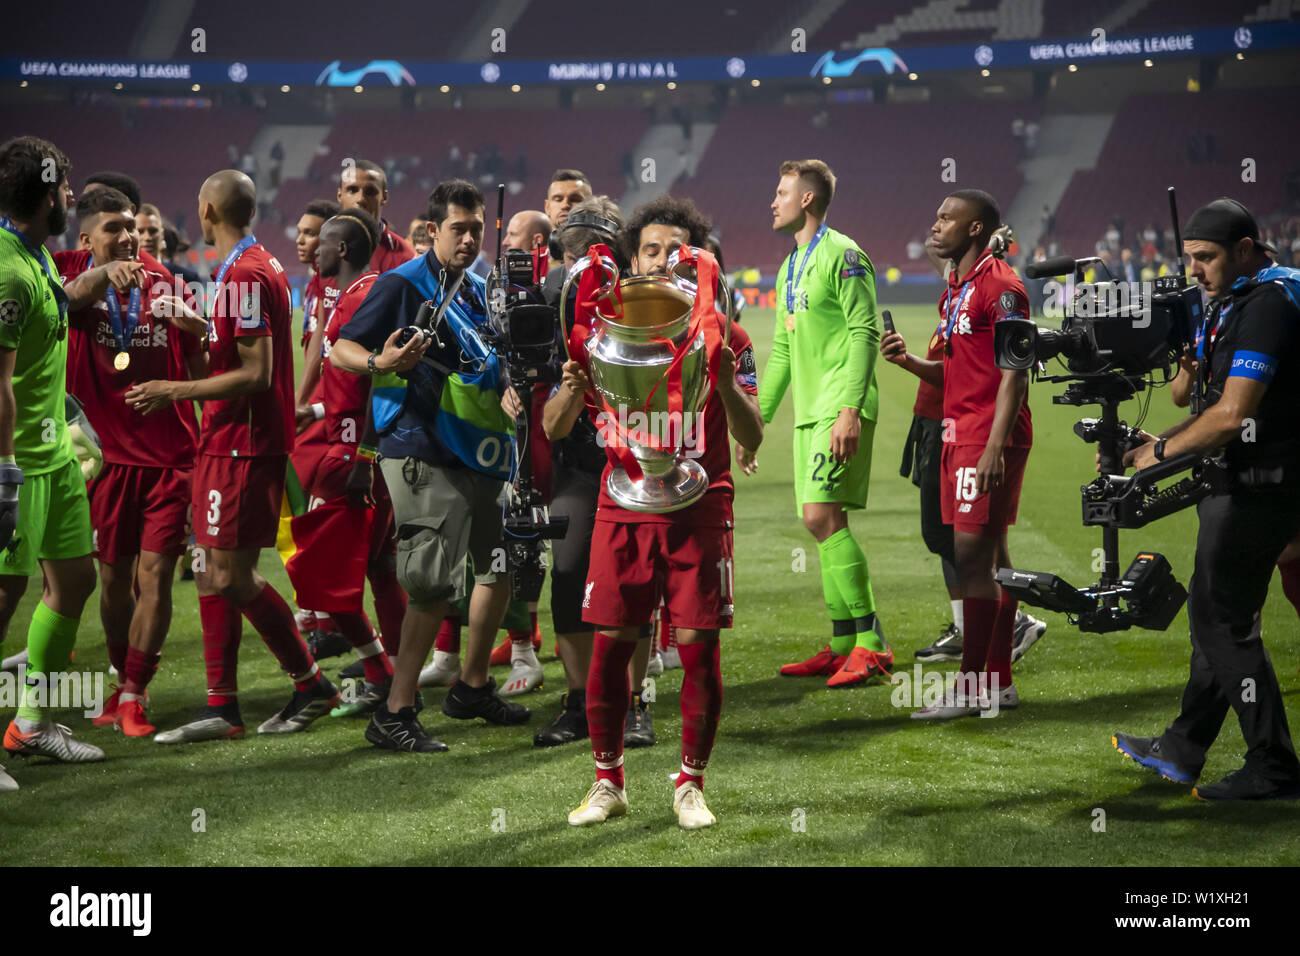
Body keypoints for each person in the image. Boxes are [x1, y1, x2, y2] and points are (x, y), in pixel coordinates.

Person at [564, 194, 764, 829]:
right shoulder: (605, 334)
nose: (664, 261)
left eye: (678, 251)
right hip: (622, 501)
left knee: (701, 651)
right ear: (632, 260)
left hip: (702, 504)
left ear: (699, 262)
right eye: (651, 250)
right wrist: (564, 391)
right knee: (609, 649)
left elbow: (753, 437)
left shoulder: (728, 336)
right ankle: (607, 780)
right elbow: (560, 422)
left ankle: (691, 783)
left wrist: (728, 381)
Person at [129, 169, 340, 743]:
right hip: (231, 443)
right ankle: (223, 705)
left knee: (230, 573)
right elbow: (240, 351)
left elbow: (256, 372)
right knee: (211, 570)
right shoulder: (257, 266)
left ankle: (309, 682)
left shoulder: (245, 274)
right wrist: (199, 326)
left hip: (241, 446)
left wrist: (170, 390)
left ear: (206, 211)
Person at [330, 179, 528, 753]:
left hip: (478, 446)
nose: (468, 238)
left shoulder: (477, 286)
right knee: (433, 584)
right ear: (433, 230)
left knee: (498, 566)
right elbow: (340, 348)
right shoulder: (402, 283)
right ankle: (395, 711)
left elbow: (493, 355)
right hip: (419, 447)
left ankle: (470, 686)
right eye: (457, 229)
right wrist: (378, 360)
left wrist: (511, 386)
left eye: (475, 228)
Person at [1114, 198, 1300, 800]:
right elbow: (1186, 400)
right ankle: (1185, 748)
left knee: (1221, 622)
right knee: (1217, 620)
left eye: (1206, 257)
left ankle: (1272, 765)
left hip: (1259, 486)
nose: (1194, 269)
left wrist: (1159, 456)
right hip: (1237, 479)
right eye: (1189, 256)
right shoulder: (1232, 301)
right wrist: (1157, 440)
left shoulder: (1270, 304)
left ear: (1246, 249)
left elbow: (1232, 414)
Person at [56, 187, 205, 736]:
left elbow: (202, 365)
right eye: (114, 229)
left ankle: (136, 695)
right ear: (87, 238)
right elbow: (57, 301)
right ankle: (120, 677)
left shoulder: (166, 281)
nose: (128, 238)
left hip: (170, 456)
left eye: (131, 227)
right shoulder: (68, 273)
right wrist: (100, 278)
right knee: (112, 580)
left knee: (155, 576)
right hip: (105, 460)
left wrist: (196, 328)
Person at [880, 189, 1033, 719]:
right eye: (936, 213)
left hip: (986, 438)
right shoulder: (955, 290)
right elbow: (959, 374)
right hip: (955, 431)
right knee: (984, 559)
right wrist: (910, 364)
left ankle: (971, 687)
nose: (936, 223)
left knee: (971, 560)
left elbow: (1016, 374)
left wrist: (994, 447)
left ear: (975, 229)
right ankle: (999, 683)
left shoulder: (1002, 286)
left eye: (948, 217)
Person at [751, 159, 890, 689]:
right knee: (822, 524)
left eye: (782, 191)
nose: (774, 201)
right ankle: (842, 643)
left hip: (838, 406)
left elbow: (865, 333)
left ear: (807, 199)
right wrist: (755, 423)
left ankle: (872, 644)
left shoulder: (844, 254)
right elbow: (784, 351)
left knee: (821, 517)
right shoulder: (790, 267)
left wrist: (850, 409)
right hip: (810, 413)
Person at [0, 136, 103, 788]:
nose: (72, 197)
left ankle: (32, 722)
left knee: (74, 582)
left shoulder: (30, 256)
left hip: (55, 459)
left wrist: (90, 281)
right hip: (19, 467)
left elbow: (54, 304)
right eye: (65, 188)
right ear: (45, 196)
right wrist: (3, 469)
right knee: (3, 598)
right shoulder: (7, 271)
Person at [284, 208, 402, 719]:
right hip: (348, 446)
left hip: (354, 458)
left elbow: (385, 383)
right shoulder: (346, 297)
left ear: (345, 250)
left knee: (321, 573)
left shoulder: (370, 296)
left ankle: (383, 672)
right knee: (379, 568)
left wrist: (364, 457)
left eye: (322, 243)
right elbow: (347, 387)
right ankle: (393, 675)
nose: (312, 250)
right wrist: (309, 410)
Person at [536, 196, 623, 747]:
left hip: (628, 459)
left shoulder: (634, 298)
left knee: (620, 587)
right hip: (579, 459)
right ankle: (580, 700)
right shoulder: (549, 298)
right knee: (568, 577)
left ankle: (625, 700)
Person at [541, 169, 593, 299]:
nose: (565, 205)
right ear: (547, 207)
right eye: (558, 199)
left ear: (592, 205)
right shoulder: (531, 262)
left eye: (575, 199)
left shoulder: (602, 259)